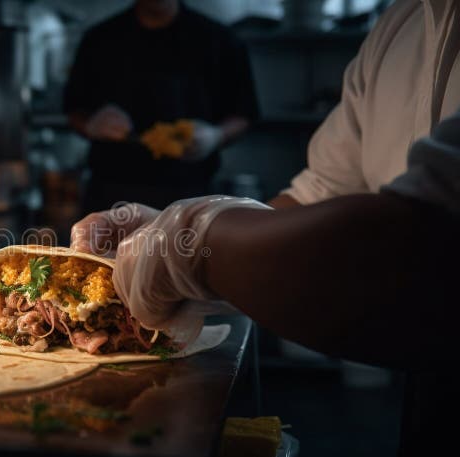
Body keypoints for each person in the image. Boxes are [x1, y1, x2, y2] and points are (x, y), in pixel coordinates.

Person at [71, 107, 460, 456]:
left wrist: (199, 242)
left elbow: (430, 249)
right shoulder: (389, 40)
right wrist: (187, 235)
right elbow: (310, 201)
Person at [63, 0, 258, 213]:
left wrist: (216, 135)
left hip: (192, 195)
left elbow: (244, 113)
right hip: (111, 192)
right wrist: (91, 125)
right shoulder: (99, 39)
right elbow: (74, 110)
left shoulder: (220, 39)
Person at [269, 0, 460, 209]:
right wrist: (237, 215)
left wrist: (233, 222)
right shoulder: (397, 22)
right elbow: (323, 190)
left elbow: (423, 214)